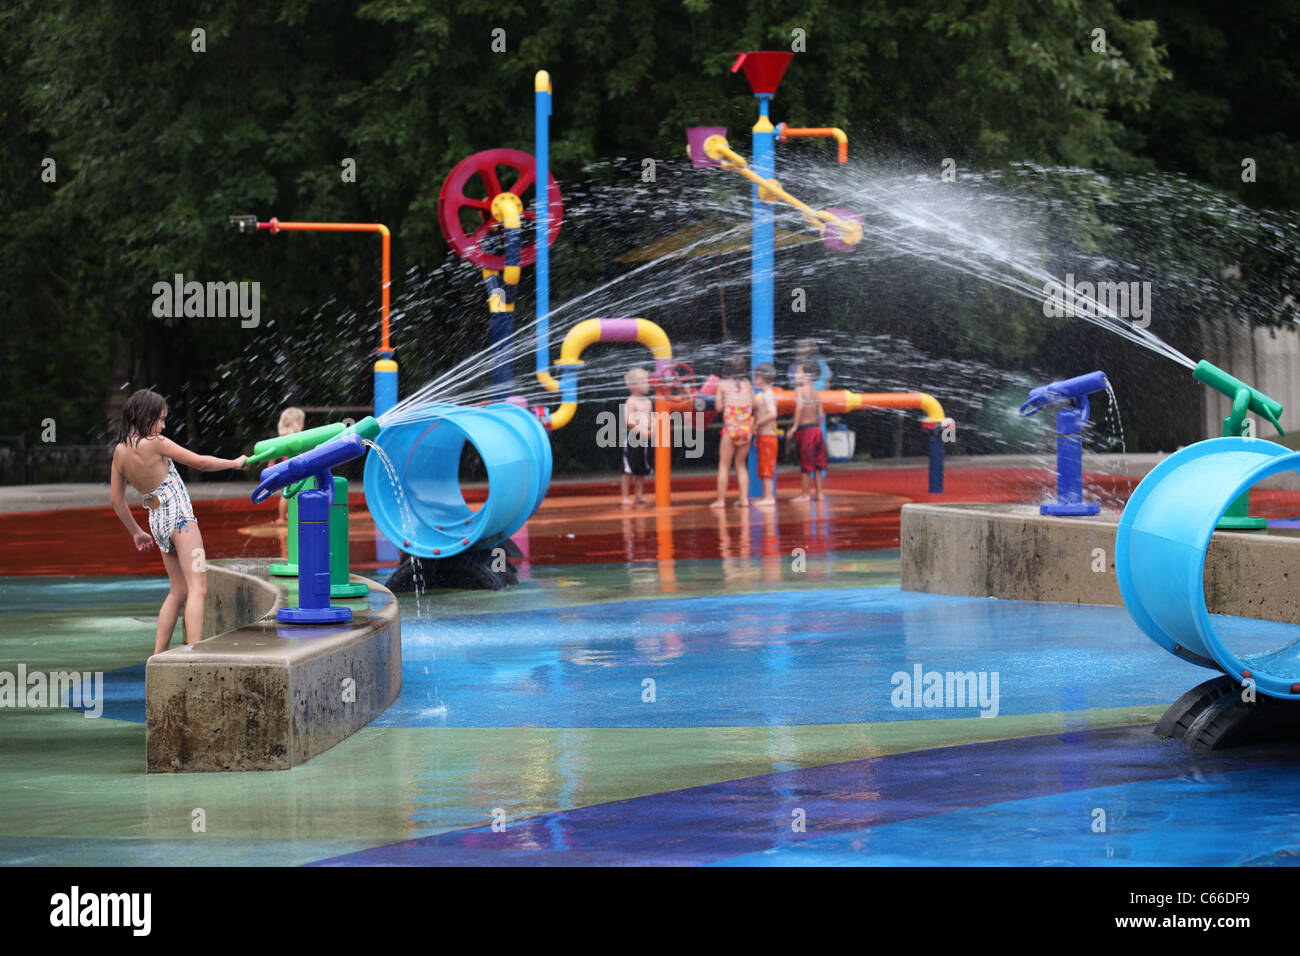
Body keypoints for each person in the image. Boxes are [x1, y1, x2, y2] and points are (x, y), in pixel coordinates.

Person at [109, 389, 248, 655]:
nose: (163, 425)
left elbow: (116, 499)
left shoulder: (120, 452)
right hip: (181, 519)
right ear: (144, 416)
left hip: (157, 521)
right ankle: (193, 654)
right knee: (199, 587)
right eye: (159, 419)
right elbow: (200, 463)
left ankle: (158, 655)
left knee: (178, 591)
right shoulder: (156, 442)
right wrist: (234, 462)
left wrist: (137, 533)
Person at [711, 354, 755, 508]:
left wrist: (726, 402)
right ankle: (743, 499)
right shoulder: (747, 384)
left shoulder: (722, 385)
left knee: (724, 465)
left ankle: (721, 501)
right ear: (743, 370)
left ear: (726, 370)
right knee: (741, 465)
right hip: (746, 429)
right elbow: (753, 403)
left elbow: (718, 407)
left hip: (731, 428)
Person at [788, 361, 827, 501]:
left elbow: (799, 407)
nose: (796, 375)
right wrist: (817, 425)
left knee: (806, 463)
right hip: (816, 430)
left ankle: (805, 494)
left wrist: (794, 426)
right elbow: (821, 415)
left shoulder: (800, 390)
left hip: (805, 431)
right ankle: (819, 493)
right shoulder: (816, 393)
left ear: (808, 376)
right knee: (818, 464)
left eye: (799, 372)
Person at [621, 368, 653, 506]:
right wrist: (643, 432)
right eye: (645, 382)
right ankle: (625, 497)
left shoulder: (648, 402)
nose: (648, 384)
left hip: (645, 439)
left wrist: (653, 428)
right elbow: (629, 421)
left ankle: (639, 495)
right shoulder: (631, 401)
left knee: (641, 469)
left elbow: (651, 418)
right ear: (633, 385)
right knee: (628, 470)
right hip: (633, 439)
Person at [751, 363, 779, 507]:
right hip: (764, 437)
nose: (753, 380)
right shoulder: (762, 395)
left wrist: (758, 423)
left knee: (767, 468)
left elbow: (773, 414)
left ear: (761, 379)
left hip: (768, 437)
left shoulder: (768, 395)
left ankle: (769, 497)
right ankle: (765, 496)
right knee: (763, 468)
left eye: (755, 377)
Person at [273, 407, 305, 523]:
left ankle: (282, 518)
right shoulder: (301, 437)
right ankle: (295, 516)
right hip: (299, 468)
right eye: (302, 422)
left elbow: (272, 455)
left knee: (284, 494)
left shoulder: (281, 438)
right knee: (301, 491)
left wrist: (271, 469)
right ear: (298, 424)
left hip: (284, 468)